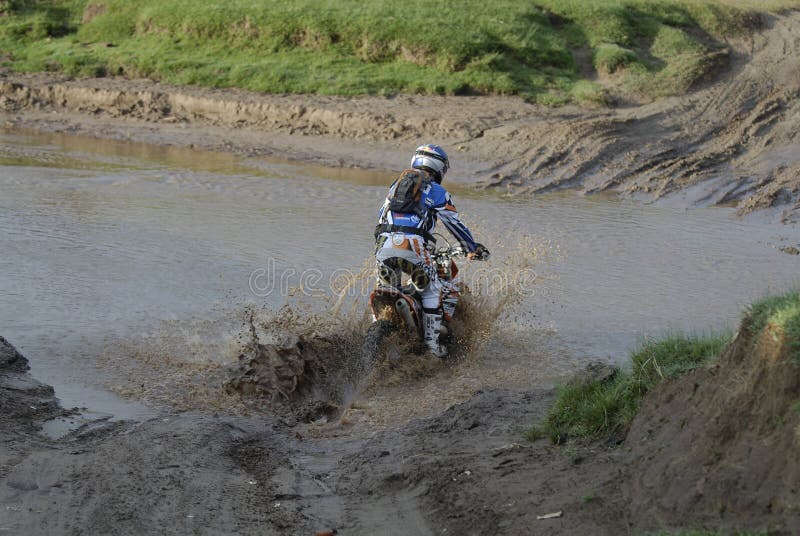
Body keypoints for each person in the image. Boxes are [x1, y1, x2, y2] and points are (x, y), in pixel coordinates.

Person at [374, 144, 489, 357]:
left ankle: (374, 328)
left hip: (383, 247)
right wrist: (470, 248)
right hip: (413, 248)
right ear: (440, 168)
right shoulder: (436, 191)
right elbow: (454, 224)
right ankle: (432, 346)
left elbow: (382, 216)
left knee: (385, 286)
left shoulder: (395, 185)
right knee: (432, 289)